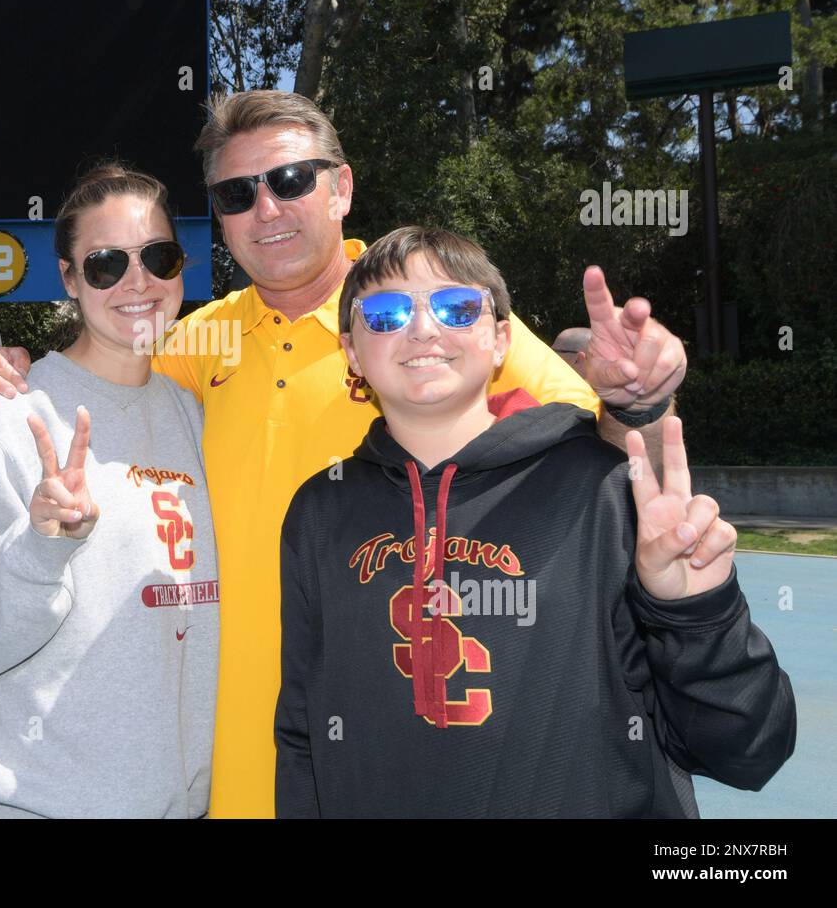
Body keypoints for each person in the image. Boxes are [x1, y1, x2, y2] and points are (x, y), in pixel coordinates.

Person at [0, 90, 700, 818]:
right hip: (231, 769)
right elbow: (103, 369)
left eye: (290, 180)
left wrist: (635, 399)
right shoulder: (194, 345)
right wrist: (3, 367)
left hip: (404, 747)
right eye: (237, 194)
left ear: (341, 187)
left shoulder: (428, 325)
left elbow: (606, 452)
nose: (267, 209)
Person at [275, 226, 795, 817]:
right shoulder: (318, 511)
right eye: (387, 312)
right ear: (350, 352)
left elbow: (750, 751)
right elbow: (302, 730)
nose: (423, 328)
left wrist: (700, 614)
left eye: (455, 307)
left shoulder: (600, 487)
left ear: (500, 341)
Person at [0, 163, 219, 819]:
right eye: (105, 264)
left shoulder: (199, 418)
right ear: (68, 278)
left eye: (158, 256)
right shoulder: (8, 421)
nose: (137, 282)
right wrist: (38, 549)